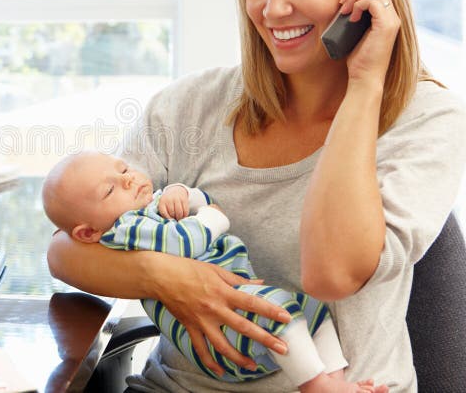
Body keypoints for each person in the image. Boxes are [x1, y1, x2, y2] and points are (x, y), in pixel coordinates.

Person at [47, 0, 466, 393]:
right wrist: (170, 279)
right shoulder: (190, 107)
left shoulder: (426, 117)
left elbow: (329, 275)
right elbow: (65, 249)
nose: (273, 9)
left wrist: (363, 85)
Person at [43, 151, 383, 392]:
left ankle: (336, 381)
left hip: (241, 305)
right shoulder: (124, 228)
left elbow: (198, 199)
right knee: (278, 309)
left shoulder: (146, 205)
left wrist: (182, 192)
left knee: (312, 309)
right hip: (222, 340)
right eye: (110, 189)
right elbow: (185, 242)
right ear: (88, 232)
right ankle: (315, 385)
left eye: (123, 169)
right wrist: (213, 216)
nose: (128, 179)